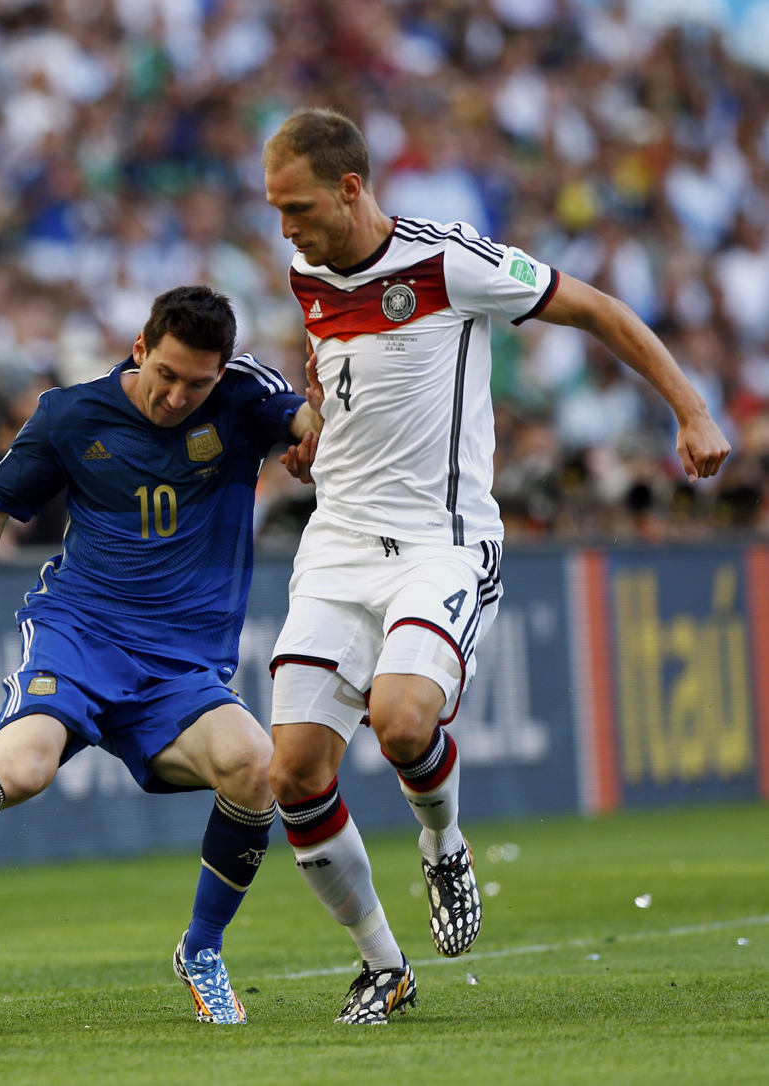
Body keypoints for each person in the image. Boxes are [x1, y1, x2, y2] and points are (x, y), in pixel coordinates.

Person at [262, 109, 731, 1025]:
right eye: (277, 209)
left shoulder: (451, 264)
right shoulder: (307, 270)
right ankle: (383, 967)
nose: (287, 227)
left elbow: (596, 307)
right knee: (293, 773)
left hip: (442, 544)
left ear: (352, 189)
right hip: (337, 546)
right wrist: (314, 429)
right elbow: (333, 362)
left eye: (299, 206)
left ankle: (444, 844)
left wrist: (691, 410)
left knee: (401, 724)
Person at [0, 285, 322, 1026]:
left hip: (180, 669)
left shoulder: (246, 396)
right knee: (23, 766)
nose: (179, 395)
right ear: (140, 348)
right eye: (167, 374)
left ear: (222, 373)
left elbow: (315, 423)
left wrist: (317, 431)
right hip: (81, 634)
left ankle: (203, 951)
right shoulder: (71, 414)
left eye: (198, 383)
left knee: (256, 766)